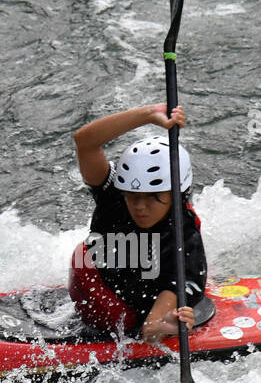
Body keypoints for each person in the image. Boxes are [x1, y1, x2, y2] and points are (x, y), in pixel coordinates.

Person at [69, 103, 207, 341]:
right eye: (133, 197)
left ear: (177, 195)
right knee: (83, 257)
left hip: (132, 308)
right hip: (95, 282)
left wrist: (162, 325)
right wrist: (148, 114)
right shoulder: (114, 194)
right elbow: (85, 142)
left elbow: (150, 329)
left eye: (153, 197)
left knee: (151, 322)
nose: (140, 206)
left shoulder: (185, 242)